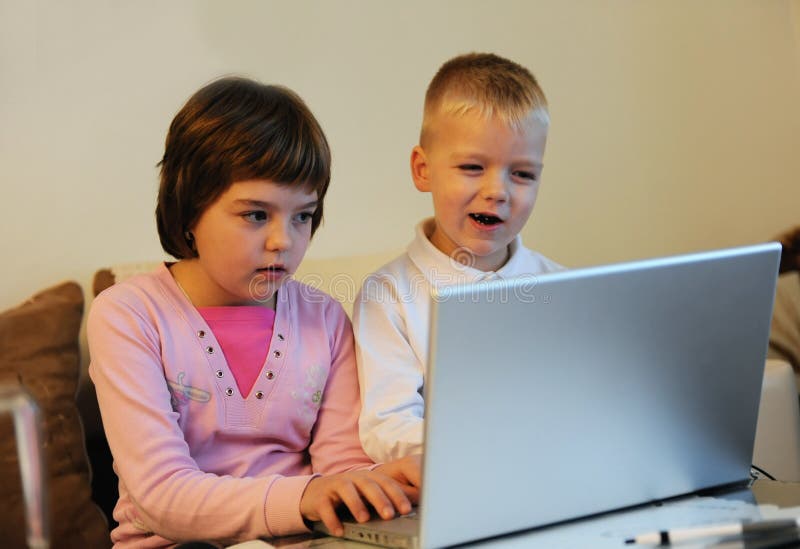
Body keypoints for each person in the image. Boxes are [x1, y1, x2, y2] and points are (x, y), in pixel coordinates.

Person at [88, 77, 420, 548]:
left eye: (303, 216)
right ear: (189, 208)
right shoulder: (128, 315)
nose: (283, 240)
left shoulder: (324, 319)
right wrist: (305, 497)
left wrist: (382, 482)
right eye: (256, 215)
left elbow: (342, 468)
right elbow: (161, 495)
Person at [354, 52, 563, 463]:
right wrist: (488, 455)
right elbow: (387, 427)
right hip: (456, 482)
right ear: (423, 169)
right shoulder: (389, 295)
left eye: (522, 174)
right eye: (472, 167)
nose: (498, 191)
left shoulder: (562, 285)